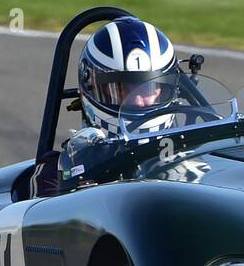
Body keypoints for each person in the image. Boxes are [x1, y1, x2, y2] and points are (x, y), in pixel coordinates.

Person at [29, 15, 178, 197]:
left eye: (148, 89)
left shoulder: (192, 153)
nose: (139, 101)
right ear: (89, 90)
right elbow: (42, 217)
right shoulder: (58, 169)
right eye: (124, 91)